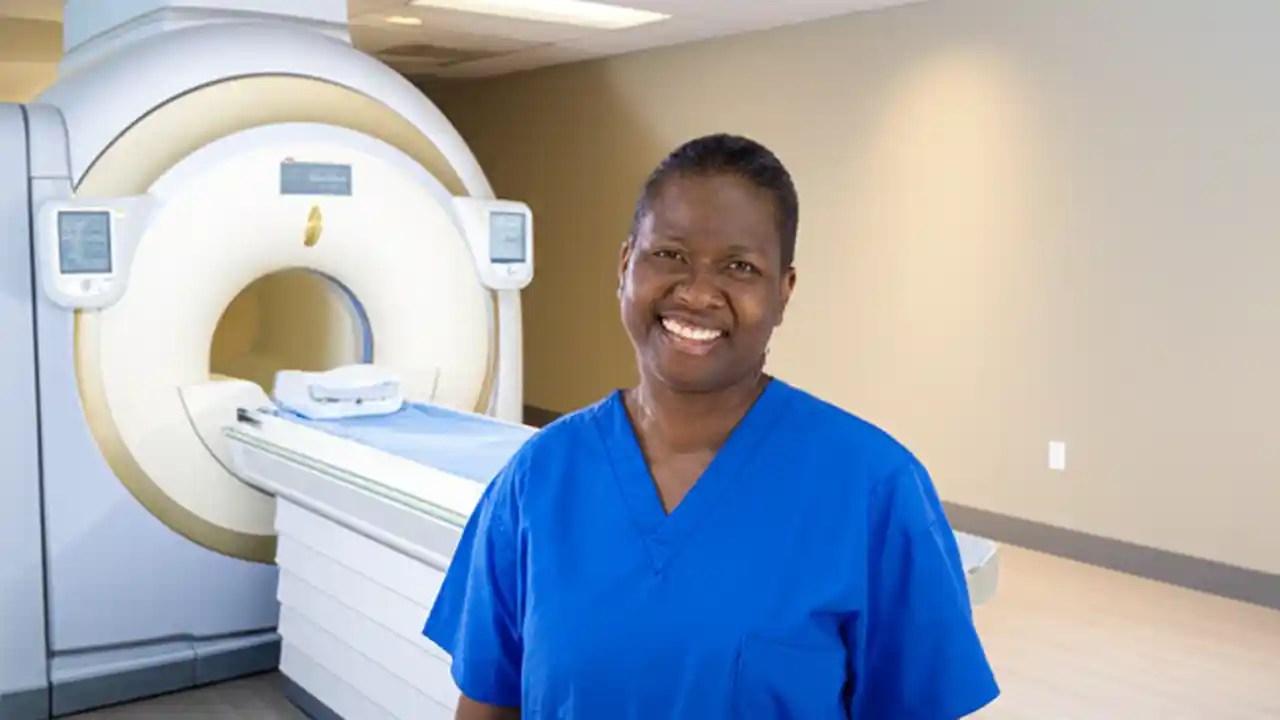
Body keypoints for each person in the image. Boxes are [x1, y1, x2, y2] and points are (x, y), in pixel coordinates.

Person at [423, 133, 1000, 719]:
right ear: (625, 266)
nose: (697, 293)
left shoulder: (874, 489)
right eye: (669, 255)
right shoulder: (538, 479)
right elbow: (488, 703)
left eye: (739, 267)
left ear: (783, 293)